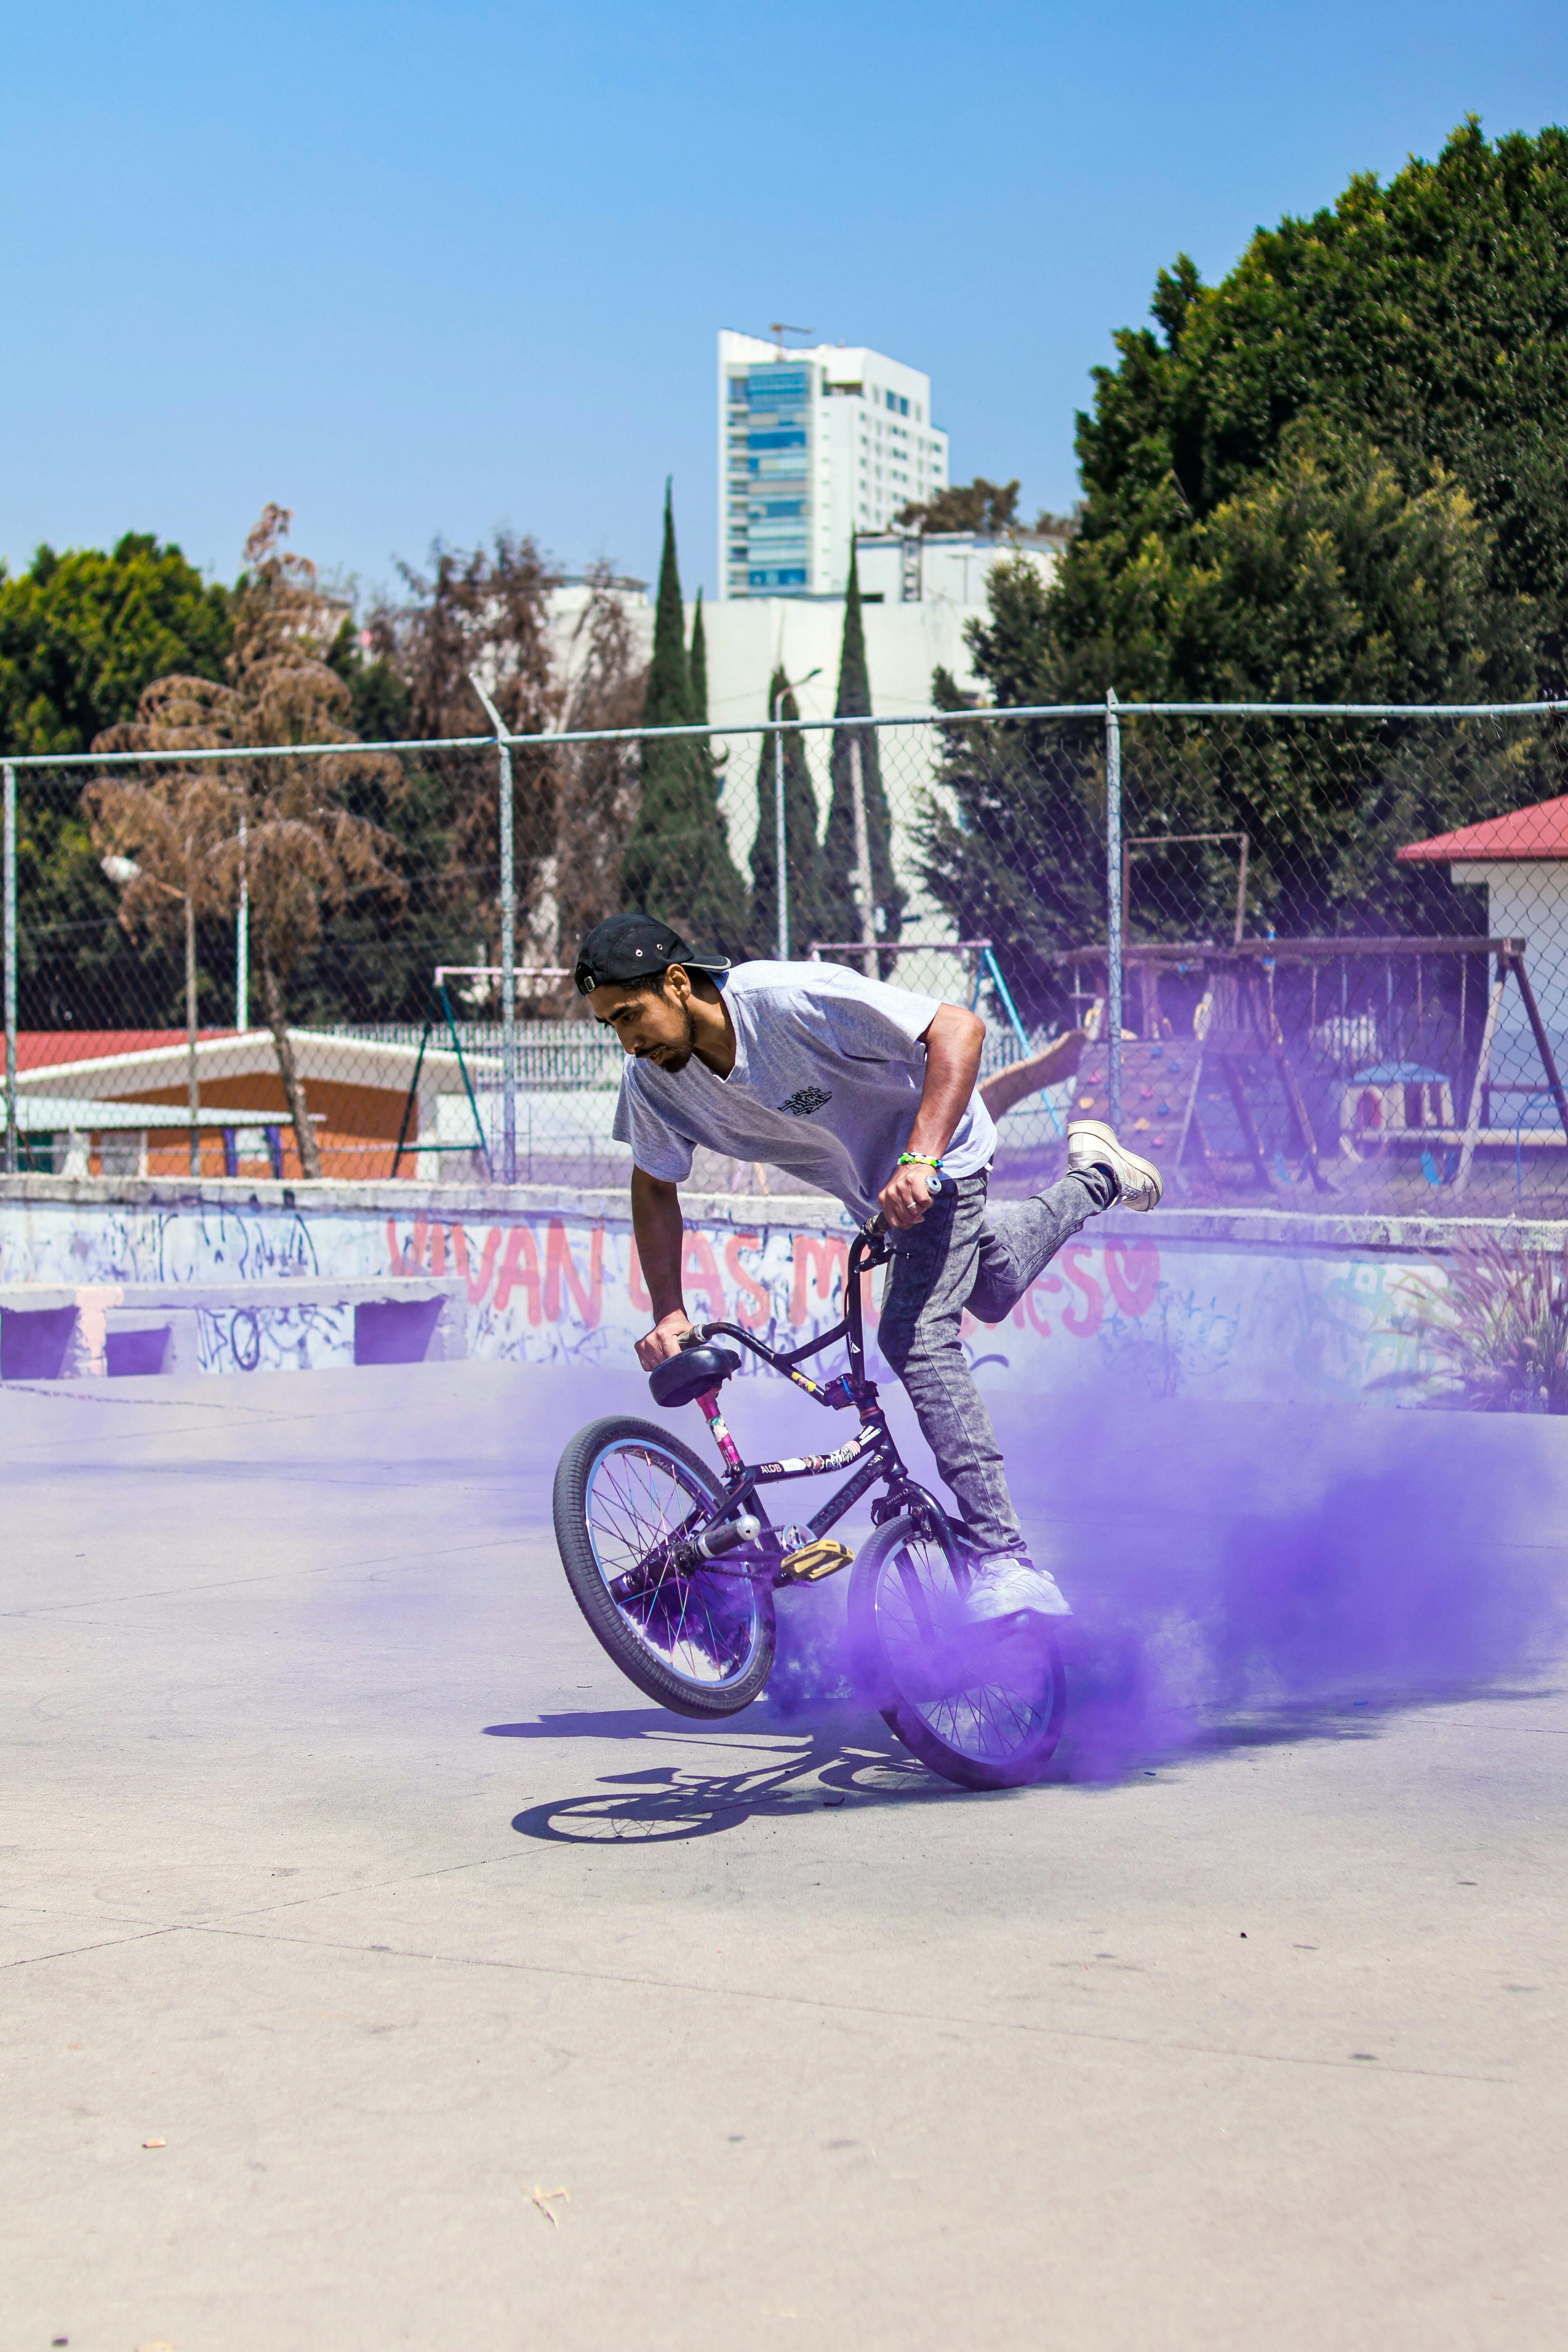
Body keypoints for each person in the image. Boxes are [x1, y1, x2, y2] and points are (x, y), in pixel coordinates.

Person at [574, 912, 1160, 1623]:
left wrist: (920, 1158)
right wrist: (668, 1309)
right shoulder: (654, 1083)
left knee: (913, 1333)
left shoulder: (787, 1002)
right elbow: (654, 1182)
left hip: (938, 1151)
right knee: (993, 1284)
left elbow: (960, 1030)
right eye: (612, 1026)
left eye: (631, 1016)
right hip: (879, 1197)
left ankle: (1005, 1559)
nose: (627, 1041)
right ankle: (1097, 1174)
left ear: (677, 982)